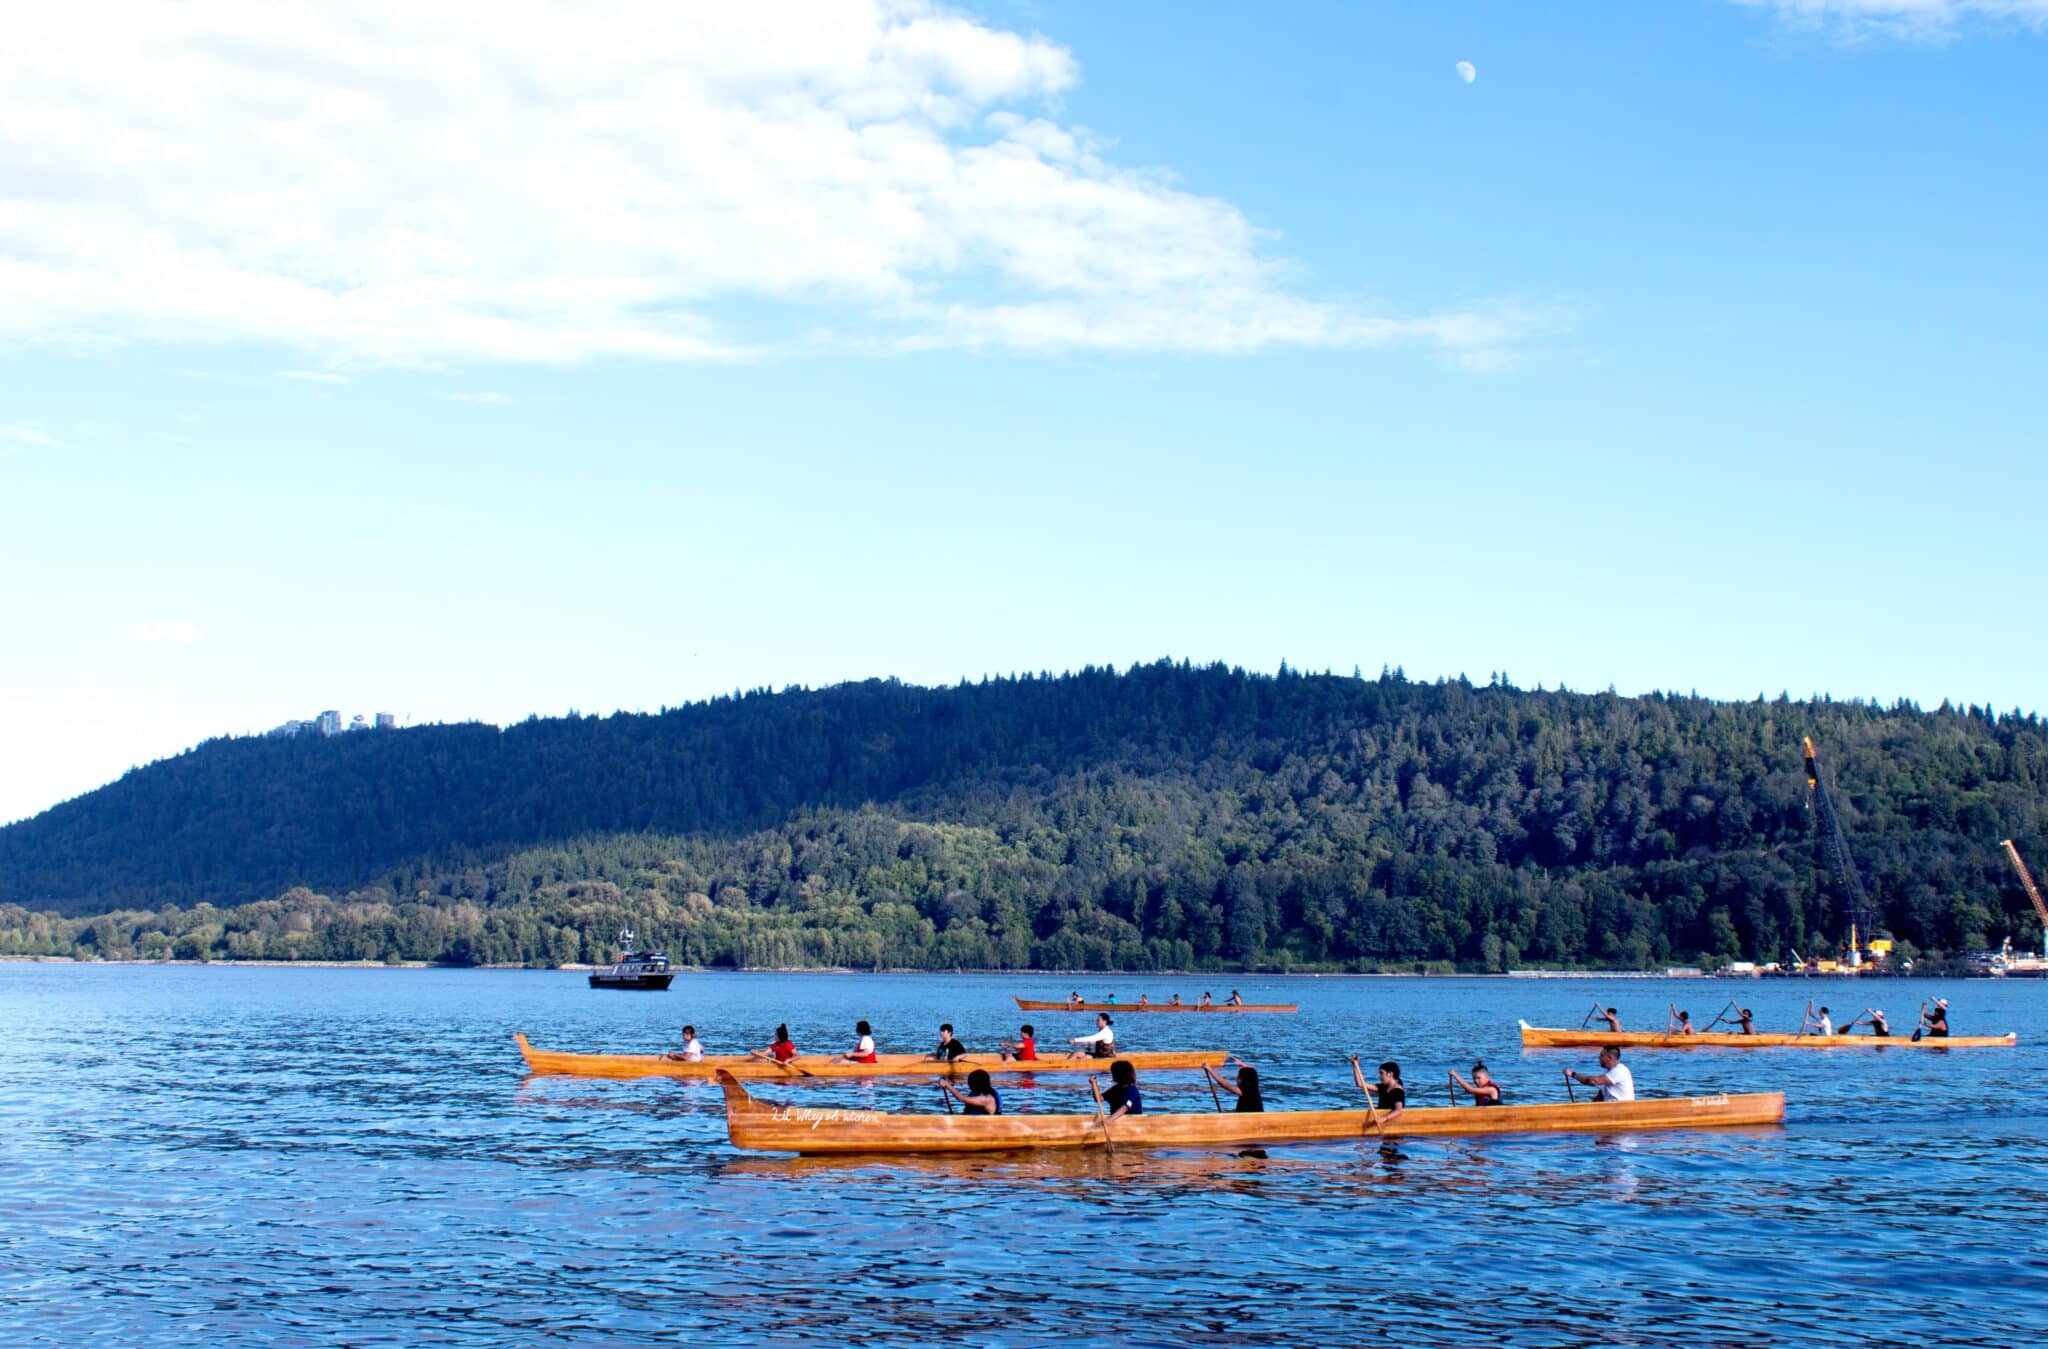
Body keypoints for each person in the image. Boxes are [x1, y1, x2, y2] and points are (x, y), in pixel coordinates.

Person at [1566, 1047, 1634, 1102]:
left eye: (1601, 1055)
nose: (1599, 1058)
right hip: (1611, 1110)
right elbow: (1600, 1097)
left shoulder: (1620, 1070)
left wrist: (1573, 1074)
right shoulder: (1608, 1073)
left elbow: (1592, 1081)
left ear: (1609, 1058)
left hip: (1623, 1109)